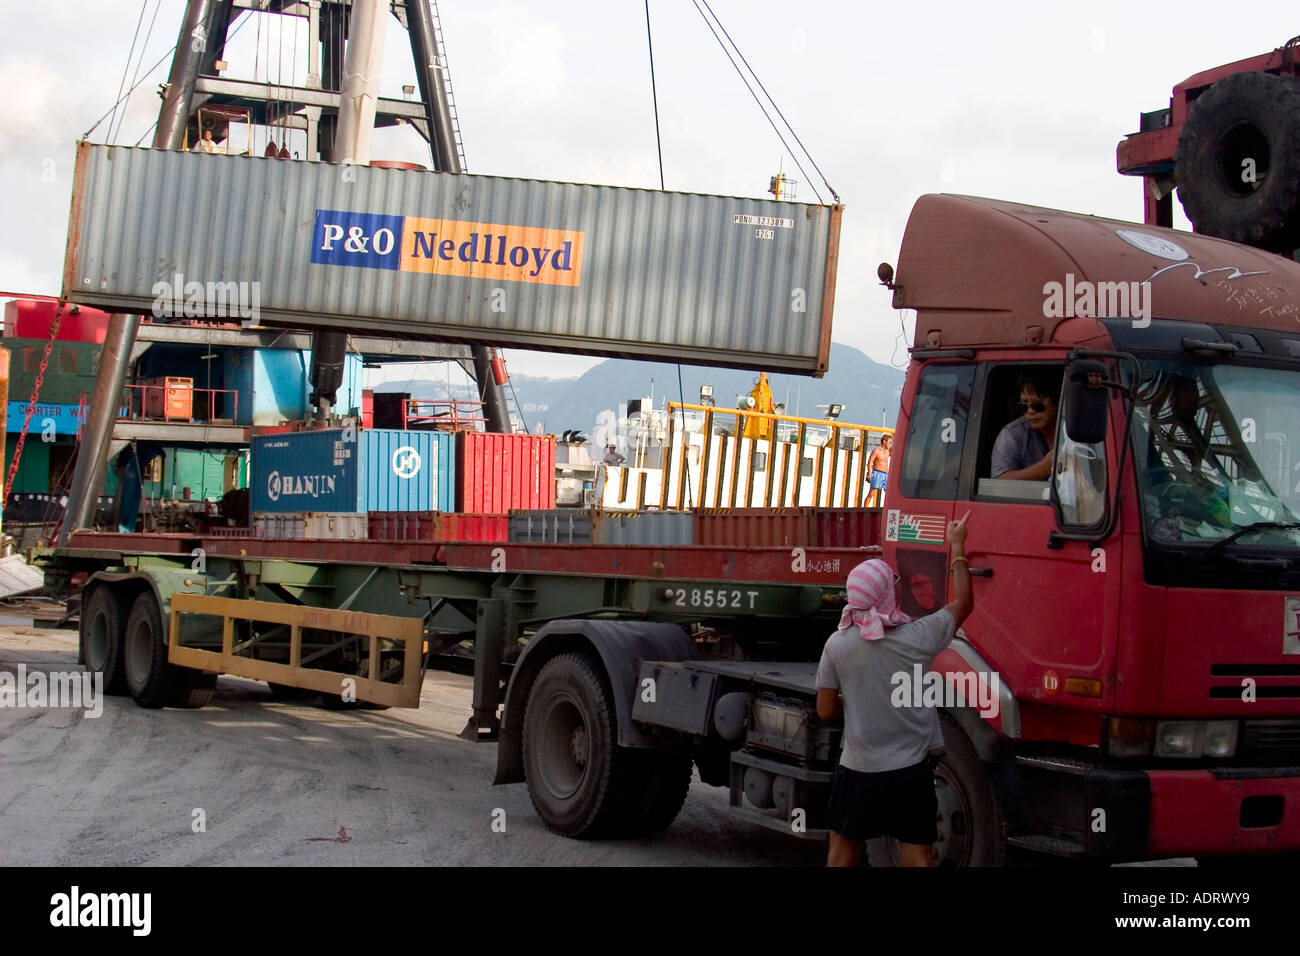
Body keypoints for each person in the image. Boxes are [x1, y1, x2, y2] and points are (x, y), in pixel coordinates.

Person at [816, 511, 974, 867]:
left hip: (857, 769)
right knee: (917, 854)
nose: (900, 584)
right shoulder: (918, 637)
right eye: (895, 580)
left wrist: (859, 703)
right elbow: (964, 604)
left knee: (842, 853)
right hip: (910, 771)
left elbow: (825, 709)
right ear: (888, 592)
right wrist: (958, 547)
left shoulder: (837, 645)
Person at [991, 372, 1057, 480]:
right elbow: (1000, 482)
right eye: (1024, 406)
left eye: (1037, 405)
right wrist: (1044, 468)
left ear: (1056, 402)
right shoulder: (1012, 434)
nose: (1030, 411)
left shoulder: (1077, 429)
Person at [865, 434, 892, 506]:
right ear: (884, 441)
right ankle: (864, 508)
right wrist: (869, 474)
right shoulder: (876, 451)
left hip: (885, 474)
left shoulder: (887, 451)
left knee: (889, 492)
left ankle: (889, 507)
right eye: (889, 442)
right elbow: (870, 462)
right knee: (872, 493)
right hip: (877, 473)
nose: (890, 444)